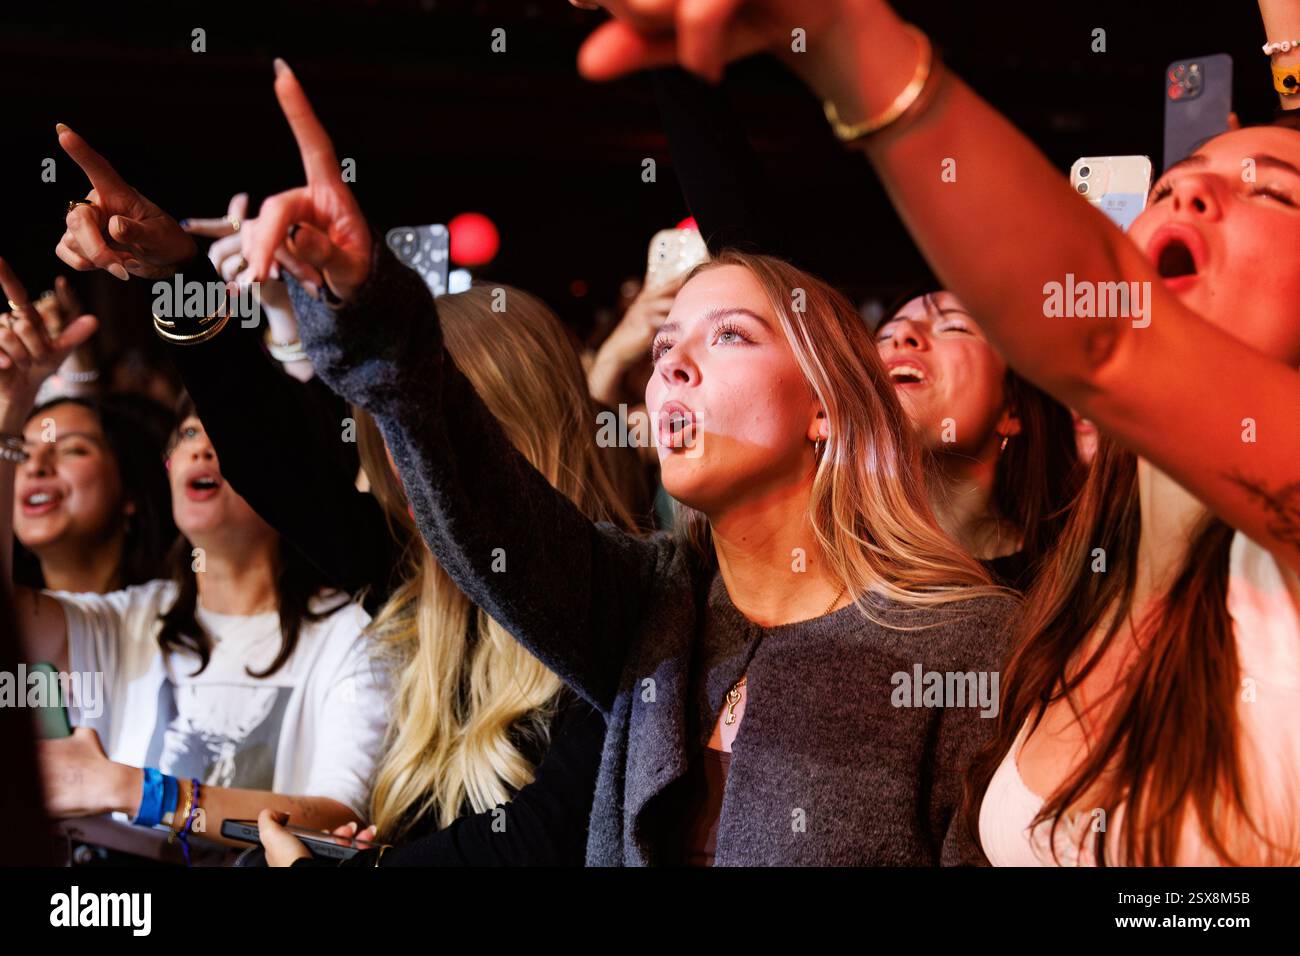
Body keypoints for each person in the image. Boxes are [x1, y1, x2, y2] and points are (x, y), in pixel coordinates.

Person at [181, 63, 1015, 865]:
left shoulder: (967, 646)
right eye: (665, 345)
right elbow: (481, 498)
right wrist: (367, 306)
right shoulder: (650, 606)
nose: (674, 366)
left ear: (827, 406)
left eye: (729, 335)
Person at [575, 0, 1300, 864]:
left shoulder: (1267, 570)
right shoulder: (1068, 615)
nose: (1187, 187)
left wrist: (844, 34)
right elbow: (763, 268)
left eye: (1273, 190)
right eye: (1169, 186)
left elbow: (1104, 340)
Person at [2, 255, 385, 847]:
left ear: (289, 475)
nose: (202, 452)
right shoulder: (127, 620)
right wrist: (8, 421)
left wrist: (136, 790)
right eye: (187, 435)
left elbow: (335, 821)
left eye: (223, 441)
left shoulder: (350, 630)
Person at [875, 290, 1081, 589]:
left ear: (1012, 408)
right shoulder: (818, 555)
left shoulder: (1059, 588)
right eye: (886, 334)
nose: (904, 334)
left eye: (954, 327)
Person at [12, 392, 176, 593]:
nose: (34, 466)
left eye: (71, 450)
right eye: (23, 455)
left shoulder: (180, 605)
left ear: (130, 490)